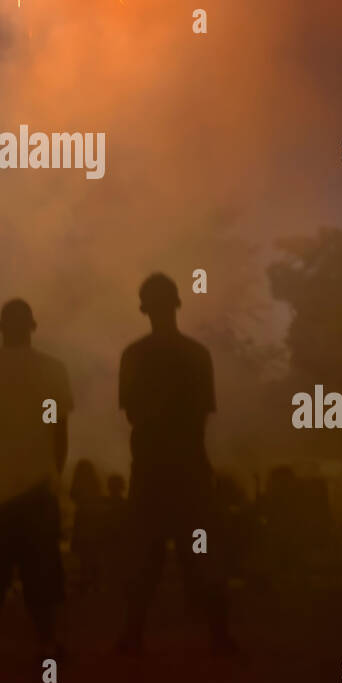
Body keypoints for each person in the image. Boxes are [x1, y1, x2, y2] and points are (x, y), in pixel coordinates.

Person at [117, 273, 235, 656]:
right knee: (202, 554)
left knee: (145, 558)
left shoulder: (134, 355)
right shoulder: (197, 355)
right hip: (188, 470)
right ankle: (218, 636)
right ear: (176, 305)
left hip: (151, 470)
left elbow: (134, 414)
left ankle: (133, 636)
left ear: (145, 309)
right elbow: (201, 416)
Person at [0, 298, 72, 666]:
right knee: (41, 571)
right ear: (32, 327)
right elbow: (58, 431)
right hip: (35, 487)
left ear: (0, 328)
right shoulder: (52, 371)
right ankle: (46, 643)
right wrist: (52, 475)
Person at [69, 459, 105, 593]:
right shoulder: (95, 483)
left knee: (85, 555)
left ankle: (86, 581)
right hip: (94, 521)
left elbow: (73, 496)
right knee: (94, 553)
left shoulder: (78, 483)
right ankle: (95, 582)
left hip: (83, 520)